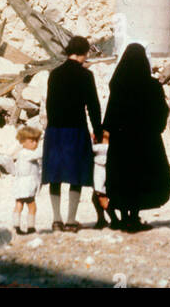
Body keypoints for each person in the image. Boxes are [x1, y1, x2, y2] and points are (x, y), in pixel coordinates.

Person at [103, 42, 170, 233]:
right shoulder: (152, 86)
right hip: (145, 142)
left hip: (121, 143)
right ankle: (134, 217)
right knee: (141, 178)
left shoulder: (118, 86)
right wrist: (155, 128)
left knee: (123, 179)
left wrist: (108, 133)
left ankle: (125, 217)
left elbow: (110, 116)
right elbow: (161, 113)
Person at [41, 34, 103, 234]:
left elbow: (49, 104)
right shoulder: (86, 75)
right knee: (76, 174)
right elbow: (93, 106)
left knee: (55, 175)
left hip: (56, 130)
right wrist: (98, 130)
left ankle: (56, 219)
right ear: (84, 53)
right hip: (76, 129)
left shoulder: (55, 74)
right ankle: (70, 220)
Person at [11, 125, 42, 236]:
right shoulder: (27, 154)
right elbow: (39, 154)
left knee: (19, 204)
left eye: (36, 141)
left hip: (20, 183)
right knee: (32, 206)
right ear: (23, 142)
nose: (35, 144)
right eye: (31, 141)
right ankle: (31, 227)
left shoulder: (21, 153)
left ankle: (16, 225)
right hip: (27, 184)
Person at [91, 131, 117, 230]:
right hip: (104, 168)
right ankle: (101, 219)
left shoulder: (99, 147)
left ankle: (114, 219)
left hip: (100, 170)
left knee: (101, 197)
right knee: (95, 198)